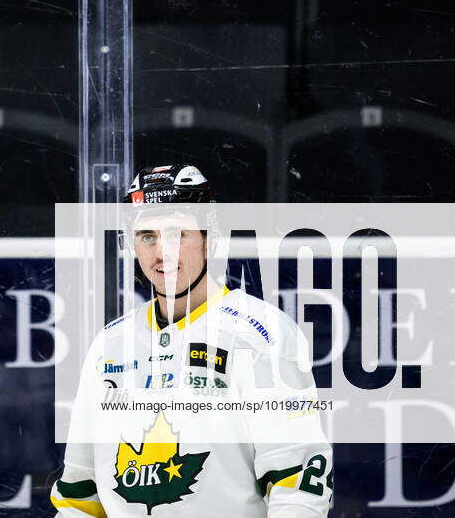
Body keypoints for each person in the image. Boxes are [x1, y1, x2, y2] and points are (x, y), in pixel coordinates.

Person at [51, 164, 333, 517]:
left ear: (208, 238)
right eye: (147, 236)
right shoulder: (110, 344)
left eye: (177, 234)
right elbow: (80, 494)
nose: (161, 252)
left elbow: (297, 484)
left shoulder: (262, 334)